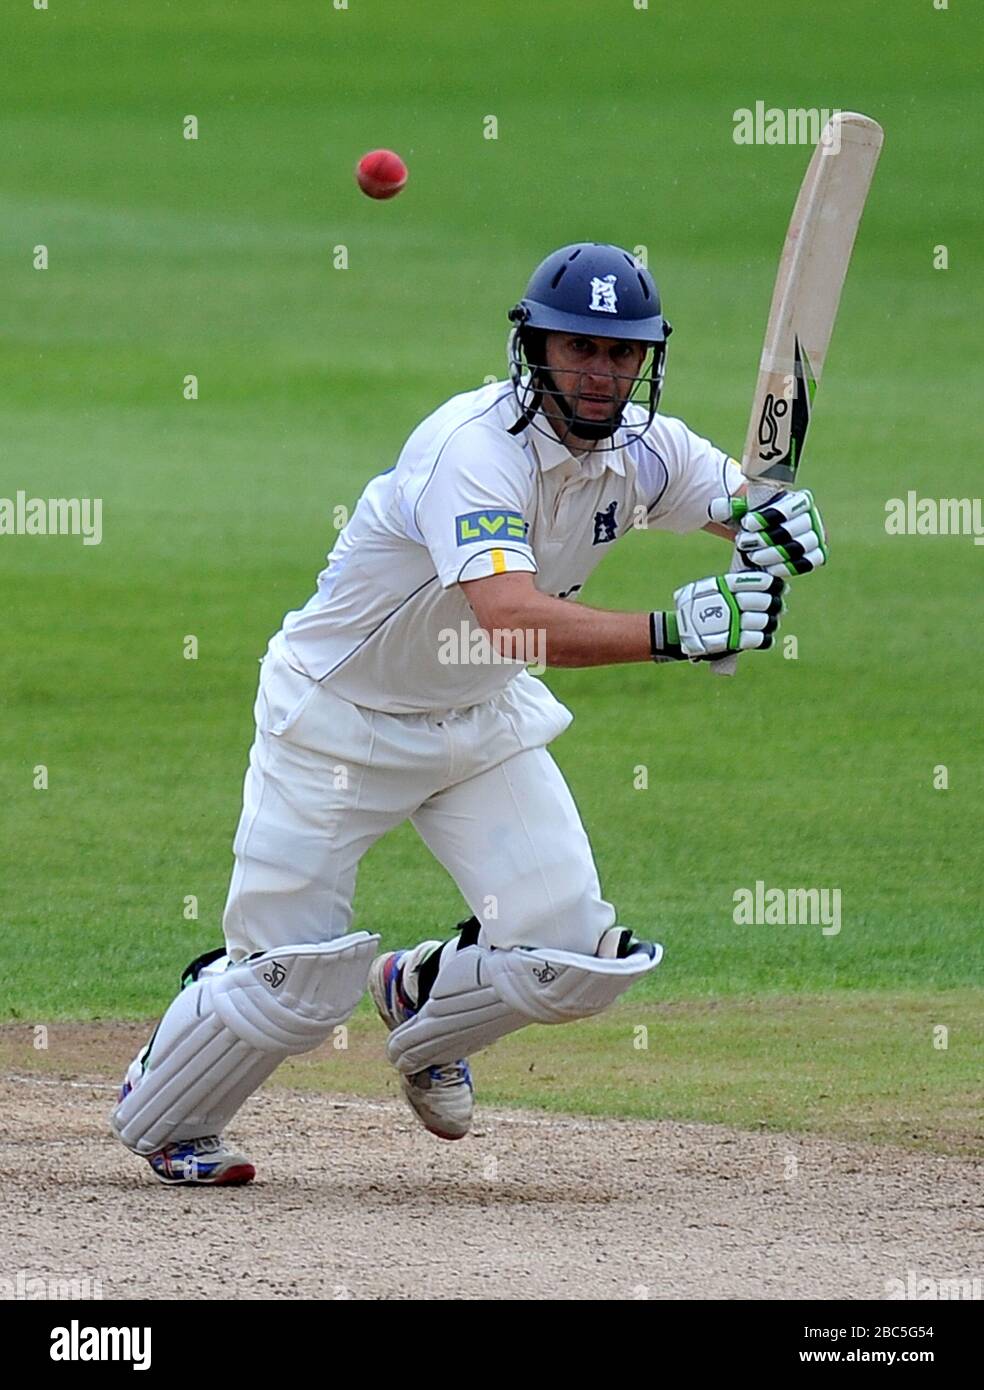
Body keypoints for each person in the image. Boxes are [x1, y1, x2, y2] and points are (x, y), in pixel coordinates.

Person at [110, 242, 826, 1183]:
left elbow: (739, 502)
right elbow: (513, 619)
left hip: (480, 721)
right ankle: (168, 1114)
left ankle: (418, 995)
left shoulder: (648, 447)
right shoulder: (471, 450)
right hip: (338, 720)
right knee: (293, 987)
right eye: (580, 348)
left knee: (572, 953)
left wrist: (773, 523)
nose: (602, 373)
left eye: (622, 354)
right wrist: (672, 630)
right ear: (533, 349)